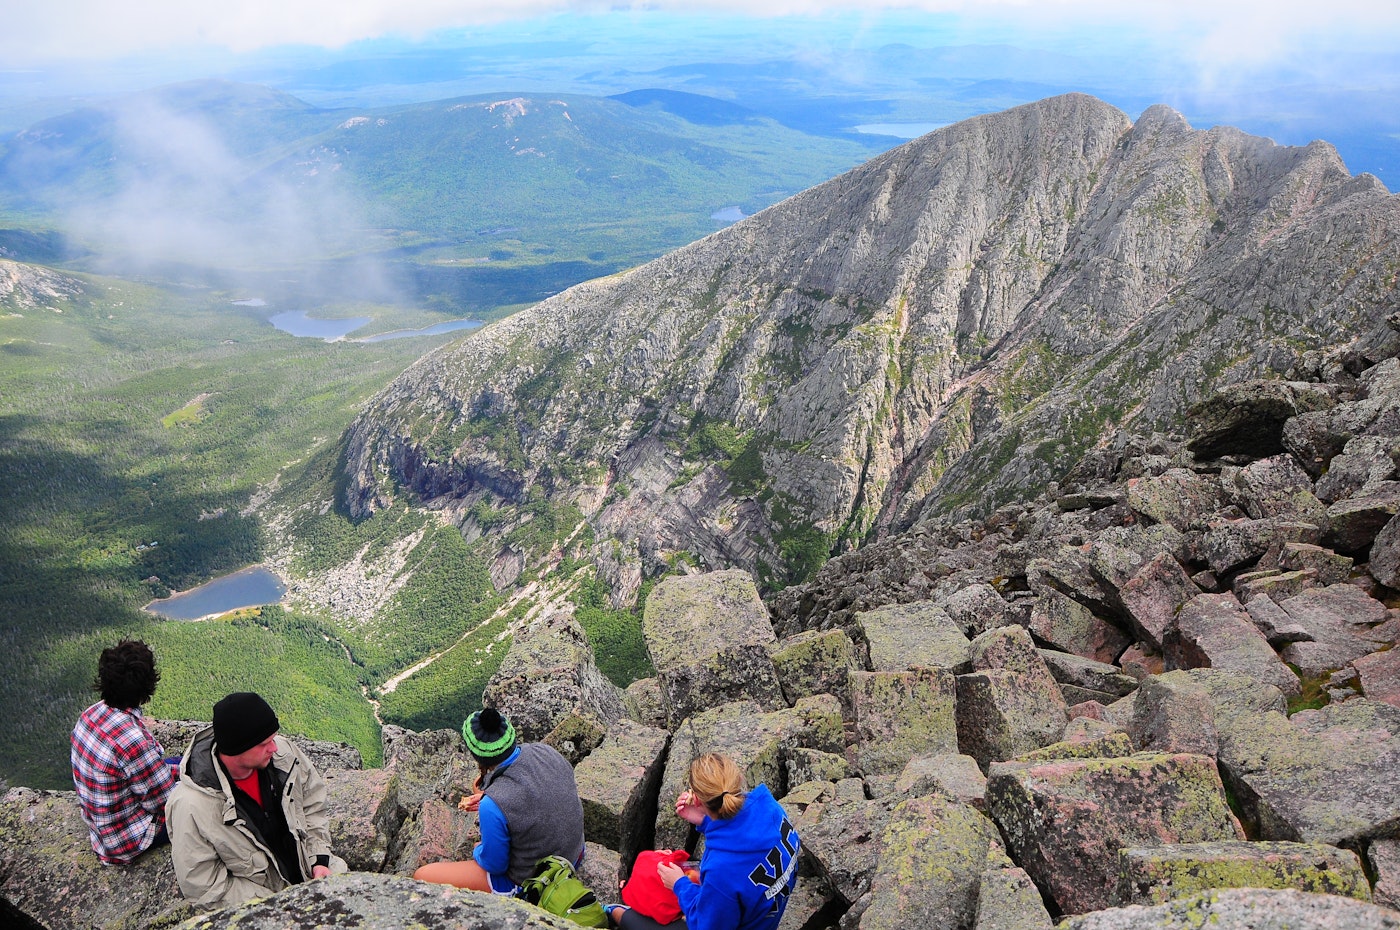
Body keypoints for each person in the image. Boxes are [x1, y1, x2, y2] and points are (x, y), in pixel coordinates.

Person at [165, 692, 346, 909]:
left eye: (273, 738)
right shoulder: (191, 807)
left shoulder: (284, 756)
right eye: (264, 744)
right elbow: (205, 887)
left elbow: (313, 802)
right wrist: (277, 906)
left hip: (312, 874)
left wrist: (319, 860)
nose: (274, 747)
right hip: (263, 907)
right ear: (236, 748)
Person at [609, 752, 799, 930]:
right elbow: (744, 840)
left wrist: (679, 884)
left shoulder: (720, 869)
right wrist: (705, 821)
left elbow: (707, 926)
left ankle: (611, 911)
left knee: (632, 920)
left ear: (697, 800)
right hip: (765, 911)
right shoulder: (772, 808)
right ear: (738, 780)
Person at [414, 707, 585, 894]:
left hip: (535, 880)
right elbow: (540, 793)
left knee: (423, 875)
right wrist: (491, 800)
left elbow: (495, 865)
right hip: (574, 854)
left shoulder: (493, 805)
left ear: (476, 755)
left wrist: (479, 850)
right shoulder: (545, 751)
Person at [70, 639, 179, 864]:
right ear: (147, 685)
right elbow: (165, 803)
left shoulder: (90, 714)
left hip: (101, 829)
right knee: (203, 800)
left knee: (183, 762)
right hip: (128, 840)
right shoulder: (133, 741)